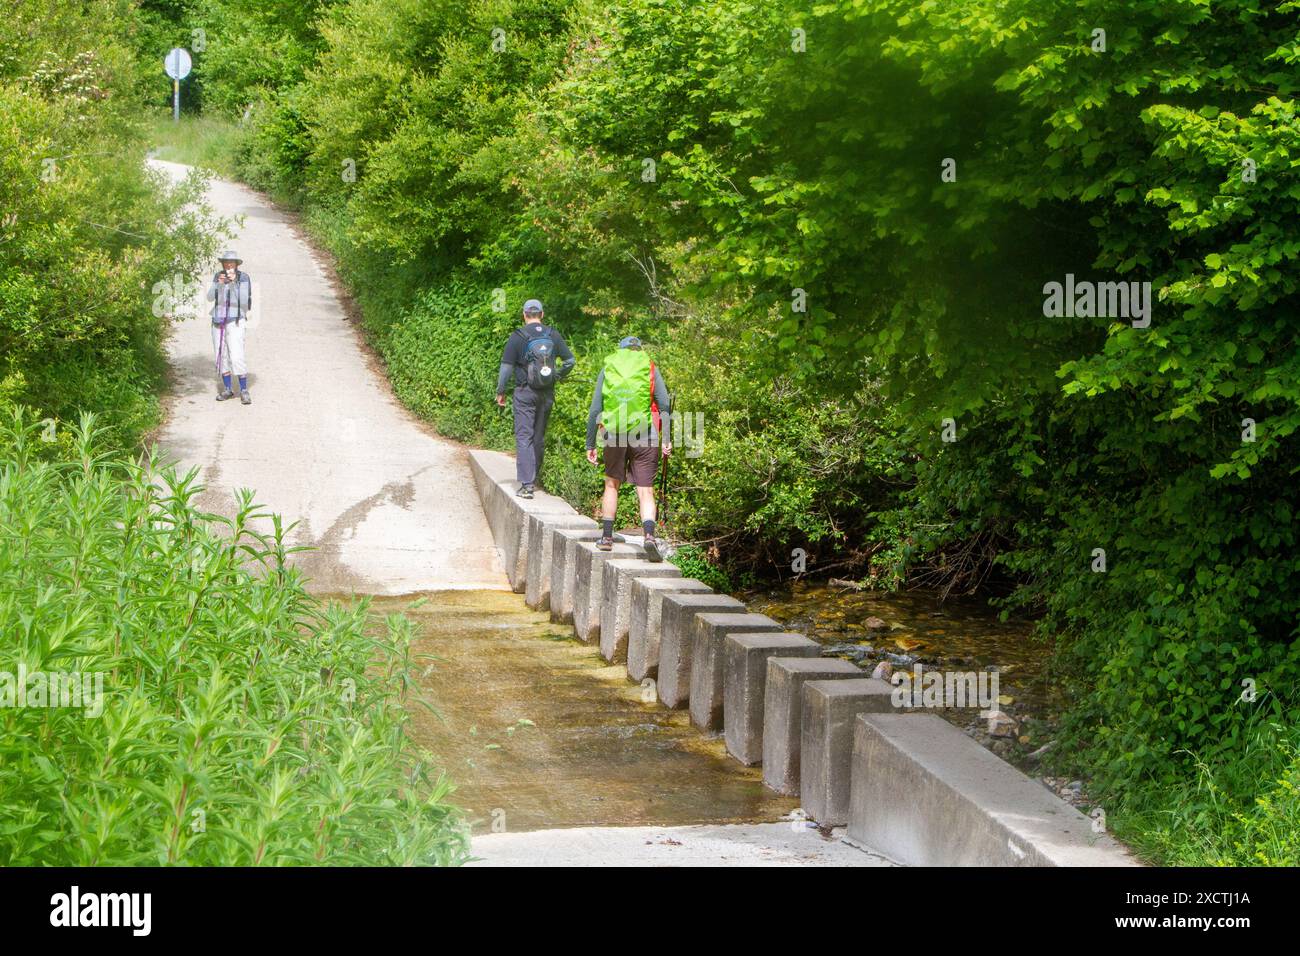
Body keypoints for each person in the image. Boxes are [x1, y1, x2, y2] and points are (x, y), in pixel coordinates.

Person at [586, 335, 671, 561]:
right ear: (639, 349)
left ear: (621, 350)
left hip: (613, 432)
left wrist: (590, 443)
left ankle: (606, 538)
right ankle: (650, 537)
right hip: (644, 433)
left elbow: (596, 408)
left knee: (612, 484)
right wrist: (667, 438)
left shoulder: (609, 367)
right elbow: (664, 403)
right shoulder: (650, 367)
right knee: (645, 490)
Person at [495, 298, 575, 498]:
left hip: (525, 392)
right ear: (542, 314)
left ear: (524, 315)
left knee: (524, 436)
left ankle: (527, 485)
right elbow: (570, 361)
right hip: (546, 393)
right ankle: (534, 477)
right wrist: (557, 376)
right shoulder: (552, 334)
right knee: (538, 436)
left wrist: (501, 390)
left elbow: (506, 368)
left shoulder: (518, 336)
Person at [206, 250, 253, 404]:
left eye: (231, 262)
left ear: (236, 264)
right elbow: (210, 297)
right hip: (218, 319)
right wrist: (218, 284)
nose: (228, 265)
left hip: (235, 320)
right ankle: (227, 389)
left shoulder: (243, 278)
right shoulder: (218, 276)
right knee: (221, 354)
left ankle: (244, 390)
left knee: (236, 354)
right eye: (226, 262)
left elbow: (244, 301)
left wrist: (233, 284)